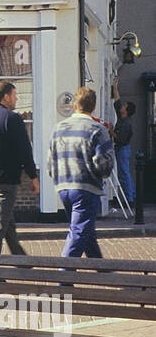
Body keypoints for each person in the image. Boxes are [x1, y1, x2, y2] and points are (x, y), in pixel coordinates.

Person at [47, 86, 114, 258]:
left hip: (63, 186)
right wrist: (103, 175)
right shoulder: (98, 130)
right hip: (86, 187)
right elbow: (103, 163)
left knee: (86, 230)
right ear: (94, 106)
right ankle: (63, 276)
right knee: (79, 232)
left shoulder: (58, 128)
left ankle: (101, 268)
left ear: (75, 105)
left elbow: (50, 161)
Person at [0, 81, 40, 254]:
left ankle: (20, 258)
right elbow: (25, 149)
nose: (17, 99)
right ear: (6, 97)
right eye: (15, 95)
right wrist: (33, 176)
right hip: (5, 181)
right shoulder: (13, 118)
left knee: (5, 221)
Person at [110, 78, 137, 206]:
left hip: (123, 149)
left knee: (124, 173)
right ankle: (130, 196)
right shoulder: (122, 117)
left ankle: (130, 198)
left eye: (124, 106)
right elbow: (117, 101)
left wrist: (110, 130)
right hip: (122, 149)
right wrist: (115, 86)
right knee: (124, 173)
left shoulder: (126, 124)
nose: (122, 106)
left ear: (126, 110)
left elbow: (119, 139)